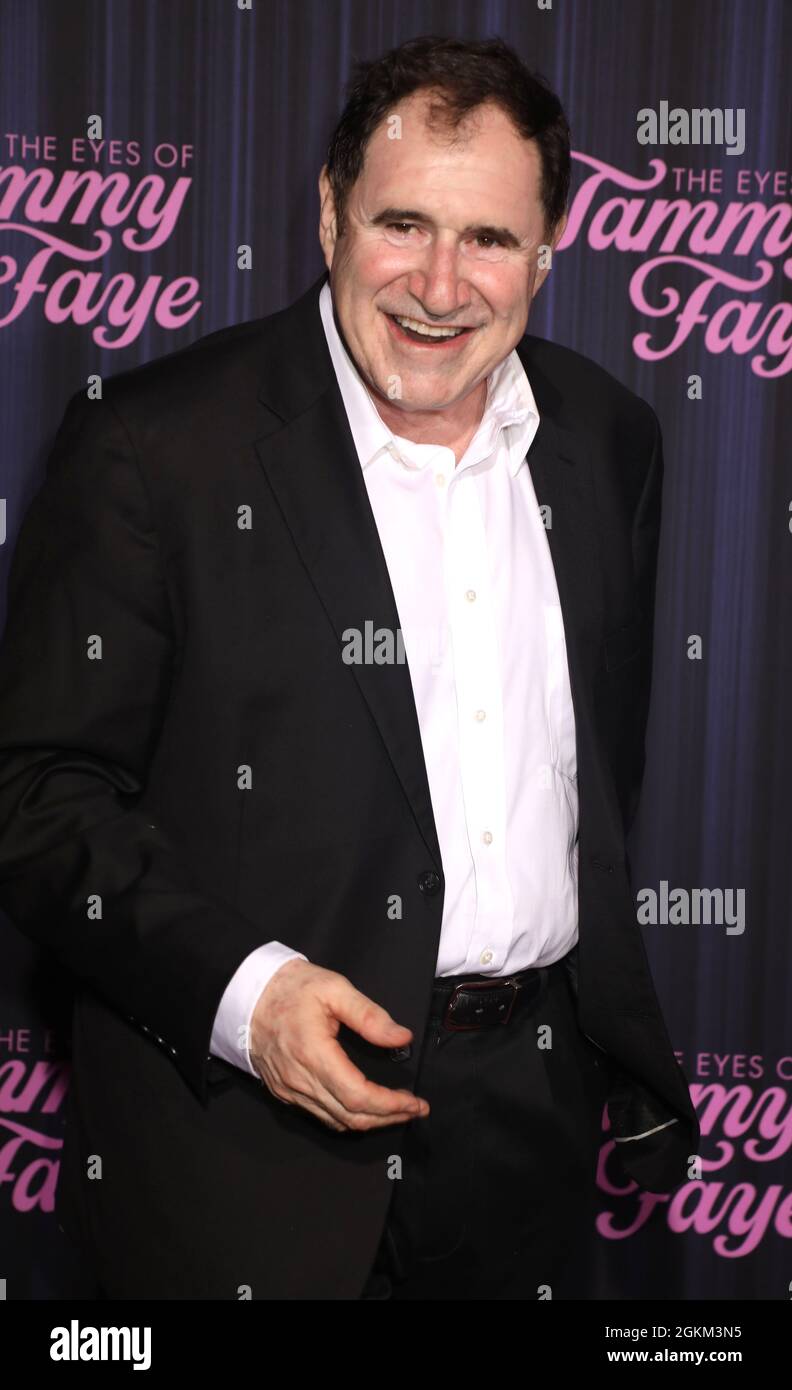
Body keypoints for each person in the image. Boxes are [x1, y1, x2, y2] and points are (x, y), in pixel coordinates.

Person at [0, 35, 698, 1300]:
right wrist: (248, 998)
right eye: (401, 224)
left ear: (549, 248)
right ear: (327, 213)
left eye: (489, 238)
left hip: (520, 1128)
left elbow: (593, 767)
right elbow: (37, 797)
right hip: (235, 1149)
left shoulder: (608, 443)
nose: (440, 283)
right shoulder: (156, 450)